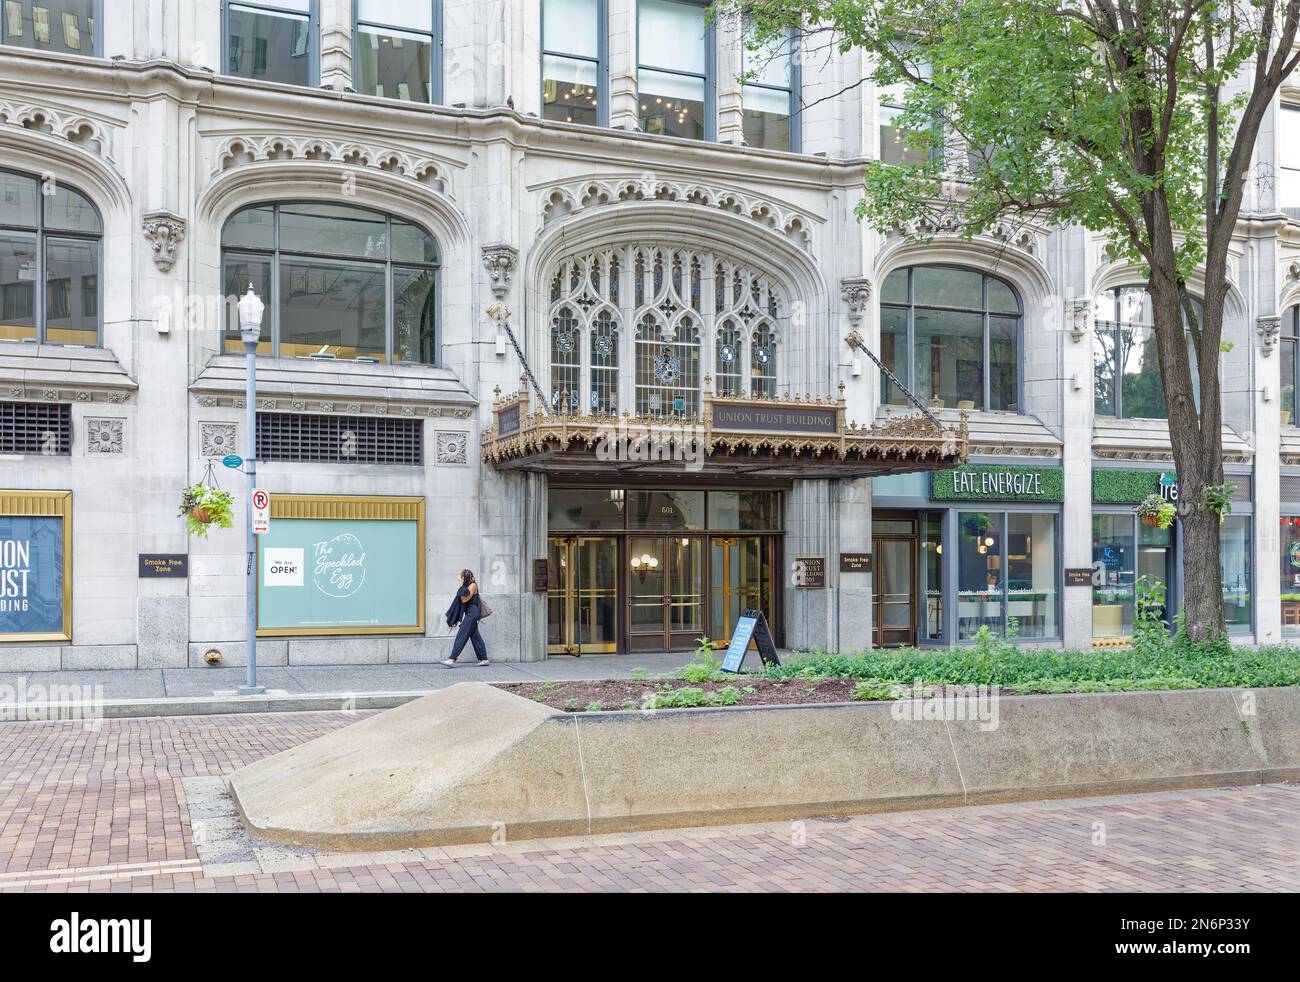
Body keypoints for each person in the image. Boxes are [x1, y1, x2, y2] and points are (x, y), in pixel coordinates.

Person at [442, 569, 488, 666]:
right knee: (475, 636)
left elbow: (464, 599)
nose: (459, 578)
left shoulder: (472, 585)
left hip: (473, 612)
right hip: (470, 613)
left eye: (461, 576)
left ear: (465, 577)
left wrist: (461, 585)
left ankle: (452, 658)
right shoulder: (467, 586)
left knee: (462, 634)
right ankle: (484, 659)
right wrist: (462, 586)